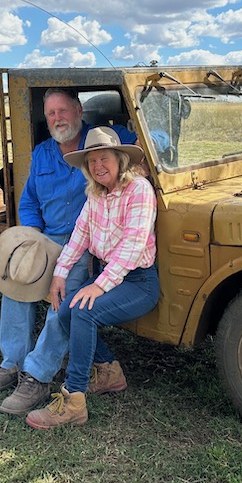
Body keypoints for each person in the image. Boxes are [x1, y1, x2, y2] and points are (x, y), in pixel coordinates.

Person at [0, 88, 137, 415]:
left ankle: (37, 376)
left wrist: (144, 162)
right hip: (48, 237)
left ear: (79, 110)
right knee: (16, 278)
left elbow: (145, 141)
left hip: (86, 244)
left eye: (63, 111)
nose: (57, 118)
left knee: (63, 295)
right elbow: (30, 201)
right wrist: (32, 240)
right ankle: (12, 362)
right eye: (51, 113)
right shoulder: (42, 153)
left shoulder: (99, 142)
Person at [26, 126, 159, 429]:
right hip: (108, 275)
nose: (99, 166)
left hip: (138, 281)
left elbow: (133, 245)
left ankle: (74, 400)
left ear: (120, 160)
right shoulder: (95, 194)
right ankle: (110, 372)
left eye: (105, 159)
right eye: (93, 161)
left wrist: (99, 286)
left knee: (83, 312)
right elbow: (79, 237)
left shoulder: (138, 189)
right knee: (63, 313)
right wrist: (60, 274)